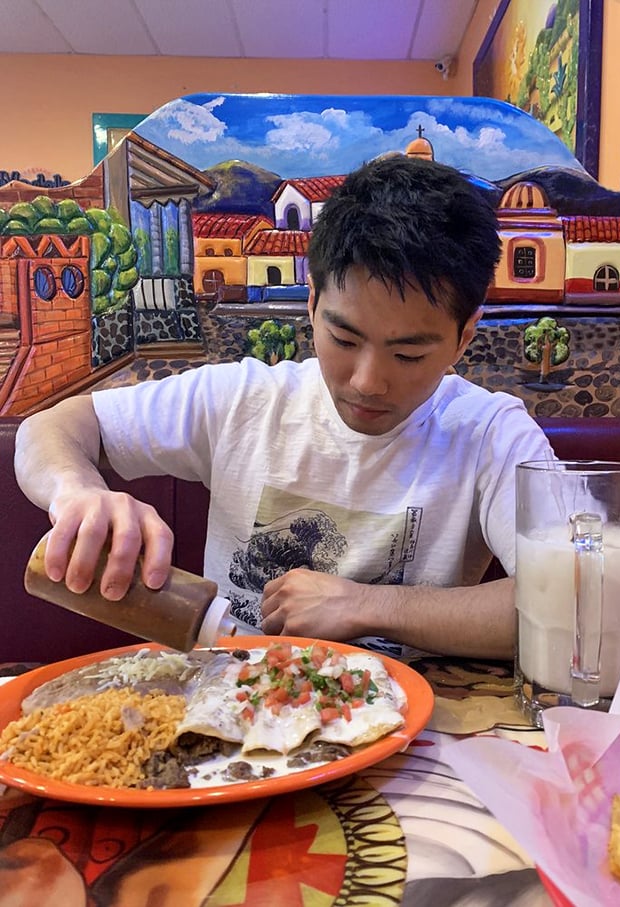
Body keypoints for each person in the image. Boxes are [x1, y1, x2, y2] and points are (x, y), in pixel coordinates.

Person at [14, 155, 553, 659]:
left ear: (464, 338)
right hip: (229, 712)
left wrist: (367, 605)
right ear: (314, 304)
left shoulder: (490, 434)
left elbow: (573, 604)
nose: (367, 383)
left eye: (408, 353)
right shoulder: (244, 400)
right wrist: (77, 492)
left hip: (404, 725)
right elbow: (49, 429)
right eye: (343, 340)